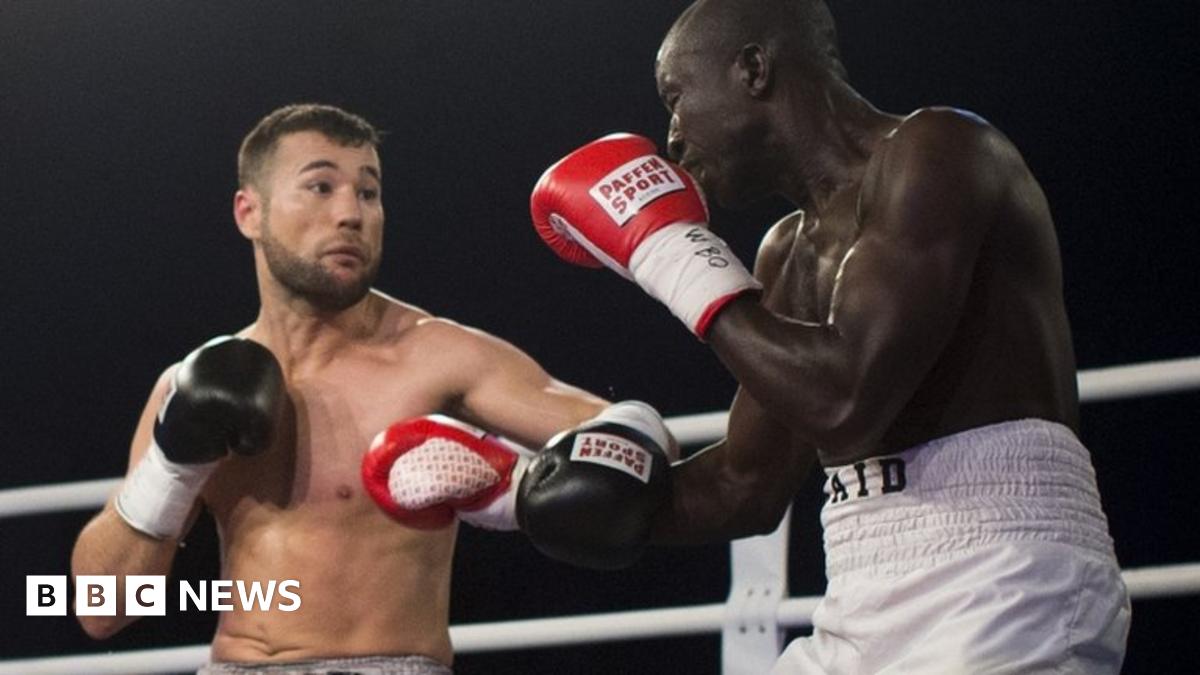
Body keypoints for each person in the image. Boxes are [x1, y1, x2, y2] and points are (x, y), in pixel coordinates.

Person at [528, 0, 1131, 671]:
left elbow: (847, 400)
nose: (671, 136)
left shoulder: (941, 152)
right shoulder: (784, 252)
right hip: (859, 593)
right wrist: (538, 495)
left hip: (1005, 577)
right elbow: (745, 484)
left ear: (753, 69)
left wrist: (668, 253)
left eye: (677, 97)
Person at [70, 103, 675, 675]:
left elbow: (637, 444)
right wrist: (170, 469)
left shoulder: (436, 356)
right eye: (320, 186)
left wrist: (510, 486)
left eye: (368, 190)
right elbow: (98, 611)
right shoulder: (188, 383)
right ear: (248, 213)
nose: (351, 213)